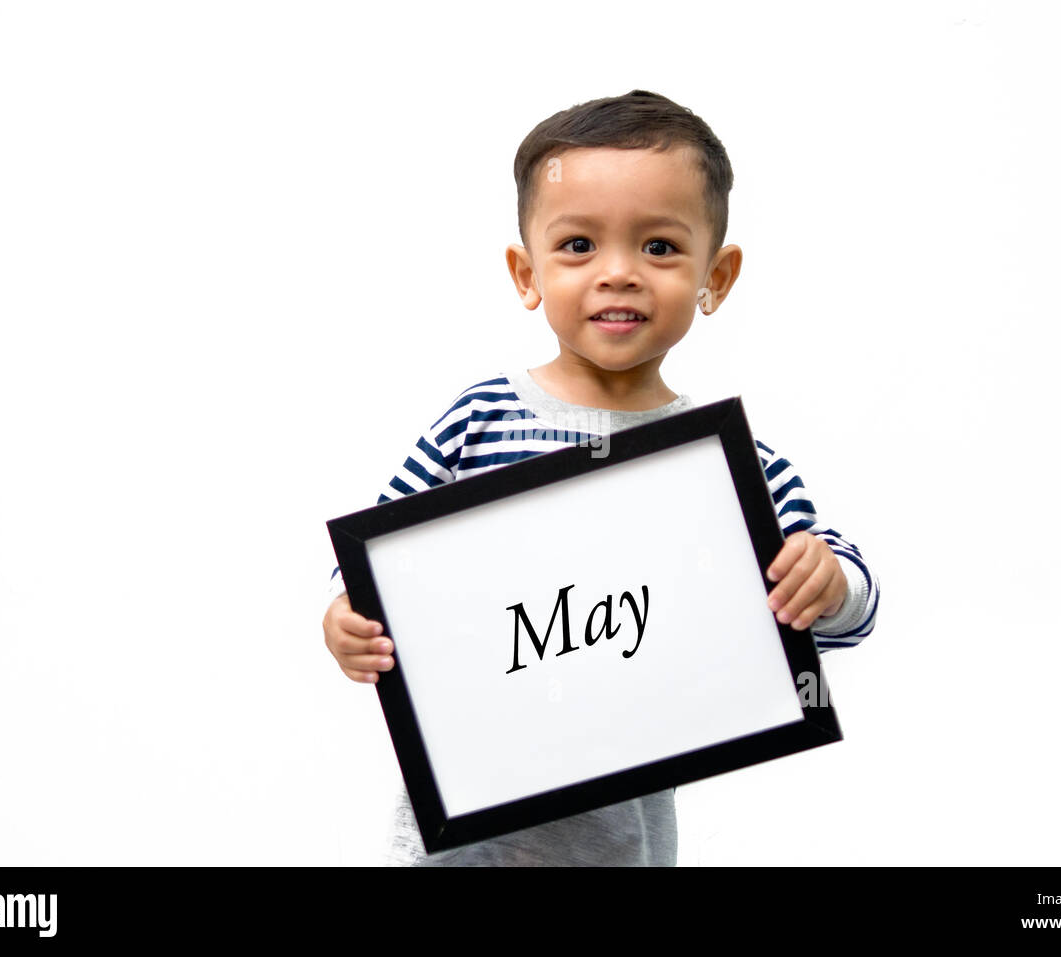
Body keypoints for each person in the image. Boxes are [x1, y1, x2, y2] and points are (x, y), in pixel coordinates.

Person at [322, 90, 879, 866]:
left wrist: (829, 579)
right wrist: (346, 618)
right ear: (528, 273)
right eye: (579, 246)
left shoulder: (727, 464)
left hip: (624, 843)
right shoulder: (478, 419)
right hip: (463, 835)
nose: (618, 274)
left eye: (658, 247)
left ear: (717, 275)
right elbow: (374, 563)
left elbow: (849, 608)